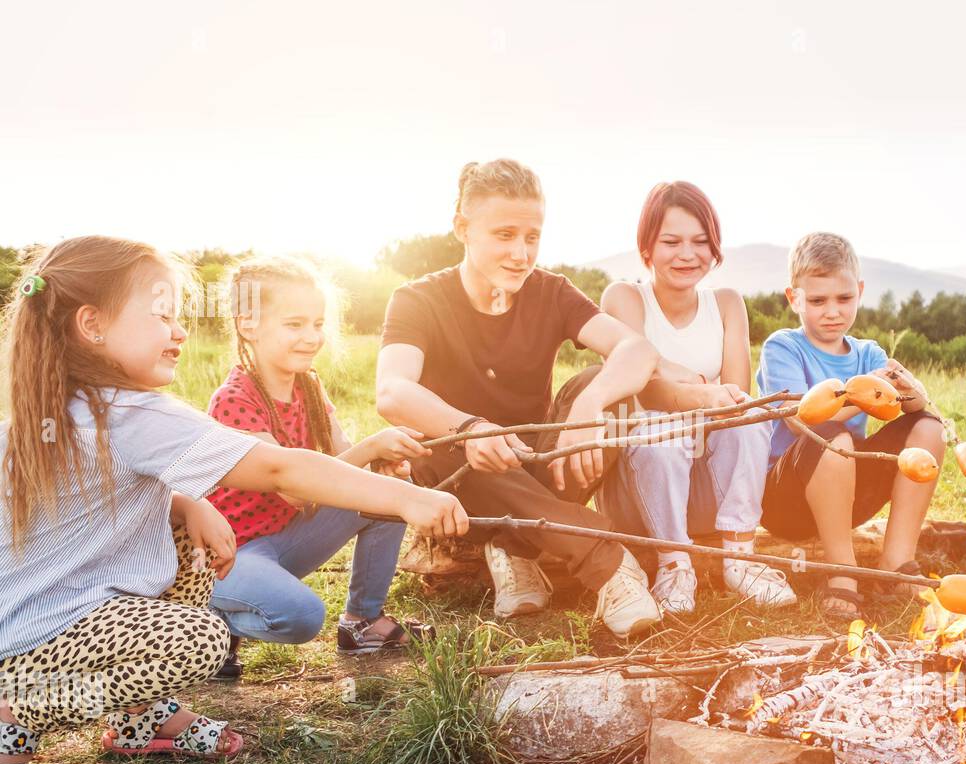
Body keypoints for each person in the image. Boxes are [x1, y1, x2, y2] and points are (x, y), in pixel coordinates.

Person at [0, 236, 467, 764]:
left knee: (192, 543)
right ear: (92, 324)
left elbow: (101, 495)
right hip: (40, 639)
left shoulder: (65, 408)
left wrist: (187, 502)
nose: (180, 330)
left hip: (52, 616)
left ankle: (144, 719)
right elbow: (276, 466)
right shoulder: (130, 411)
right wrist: (404, 496)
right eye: (162, 315)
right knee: (201, 642)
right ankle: (15, 710)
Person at [376, 158, 663, 639]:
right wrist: (468, 428)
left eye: (532, 237)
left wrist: (590, 408)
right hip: (457, 466)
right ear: (462, 228)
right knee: (434, 441)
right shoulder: (417, 299)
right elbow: (392, 391)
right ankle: (609, 563)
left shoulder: (551, 292)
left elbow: (636, 348)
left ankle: (514, 547)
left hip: (534, 462)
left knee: (611, 391)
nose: (520, 253)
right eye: (504, 235)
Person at [206, 256, 430, 679]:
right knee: (303, 616)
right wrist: (370, 446)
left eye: (317, 324)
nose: (312, 337)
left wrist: (382, 460)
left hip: (286, 539)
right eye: (295, 324)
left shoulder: (309, 387)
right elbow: (294, 487)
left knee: (382, 488)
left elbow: (345, 462)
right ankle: (209, 622)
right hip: (232, 555)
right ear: (248, 325)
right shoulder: (233, 400)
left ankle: (362, 621)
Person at [597, 181, 796, 614]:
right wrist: (704, 393)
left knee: (751, 418)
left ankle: (740, 558)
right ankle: (673, 565)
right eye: (671, 241)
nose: (687, 254)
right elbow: (645, 388)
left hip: (706, 493)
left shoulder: (726, 303)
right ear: (647, 246)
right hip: (640, 492)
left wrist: (707, 397)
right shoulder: (624, 298)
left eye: (700, 241)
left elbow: (735, 402)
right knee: (660, 430)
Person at [757, 232, 946, 619]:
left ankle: (895, 562)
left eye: (844, 299)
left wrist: (908, 391)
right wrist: (865, 388)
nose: (832, 311)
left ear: (859, 292)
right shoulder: (783, 347)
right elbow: (801, 418)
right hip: (787, 498)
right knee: (831, 433)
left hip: (848, 494)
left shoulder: (868, 353)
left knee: (927, 426)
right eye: (817, 301)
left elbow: (909, 405)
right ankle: (842, 572)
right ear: (794, 299)